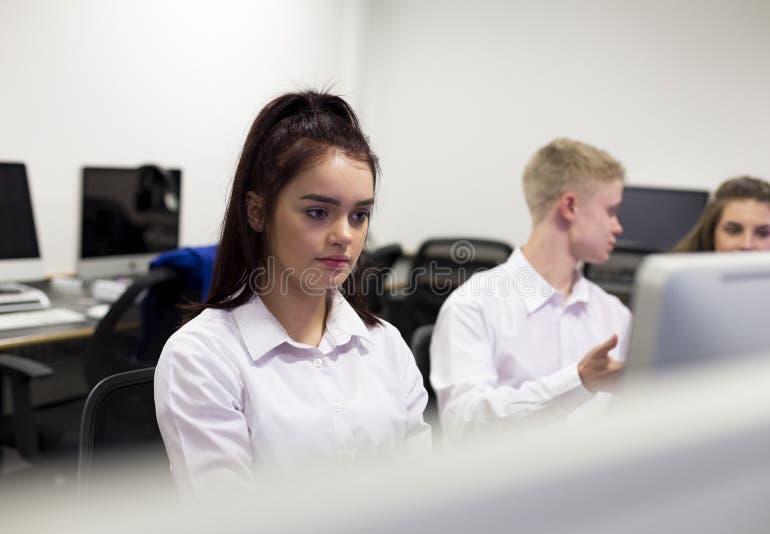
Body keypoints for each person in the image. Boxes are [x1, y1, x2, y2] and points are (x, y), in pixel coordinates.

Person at [154, 91, 431, 495]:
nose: (345, 236)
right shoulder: (202, 358)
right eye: (318, 212)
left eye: (360, 215)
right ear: (257, 212)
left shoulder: (386, 346)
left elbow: (423, 496)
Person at [429, 138, 631, 440]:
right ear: (570, 206)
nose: (618, 227)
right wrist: (577, 381)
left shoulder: (614, 313)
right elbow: (464, 427)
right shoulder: (473, 305)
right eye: (611, 211)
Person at [673, 176, 770, 252]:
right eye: (733, 230)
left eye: (762, 234)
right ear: (711, 233)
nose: (747, 245)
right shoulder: (674, 283)